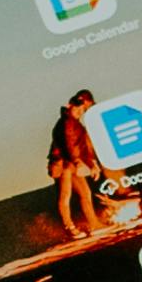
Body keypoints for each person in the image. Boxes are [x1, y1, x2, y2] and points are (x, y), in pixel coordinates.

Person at [47, 89, 103, 238]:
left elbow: (83, 147)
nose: (81, 111)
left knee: (85, 193)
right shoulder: (66, 123)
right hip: (63, 164)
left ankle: (95, 224)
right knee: (65, 195)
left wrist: (92, 164)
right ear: (70, 105)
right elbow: (69, 144)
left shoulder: (76, 123)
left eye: (82, 109)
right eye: (78, 108)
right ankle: (70, 227)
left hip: (72, 165)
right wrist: (79, 162)